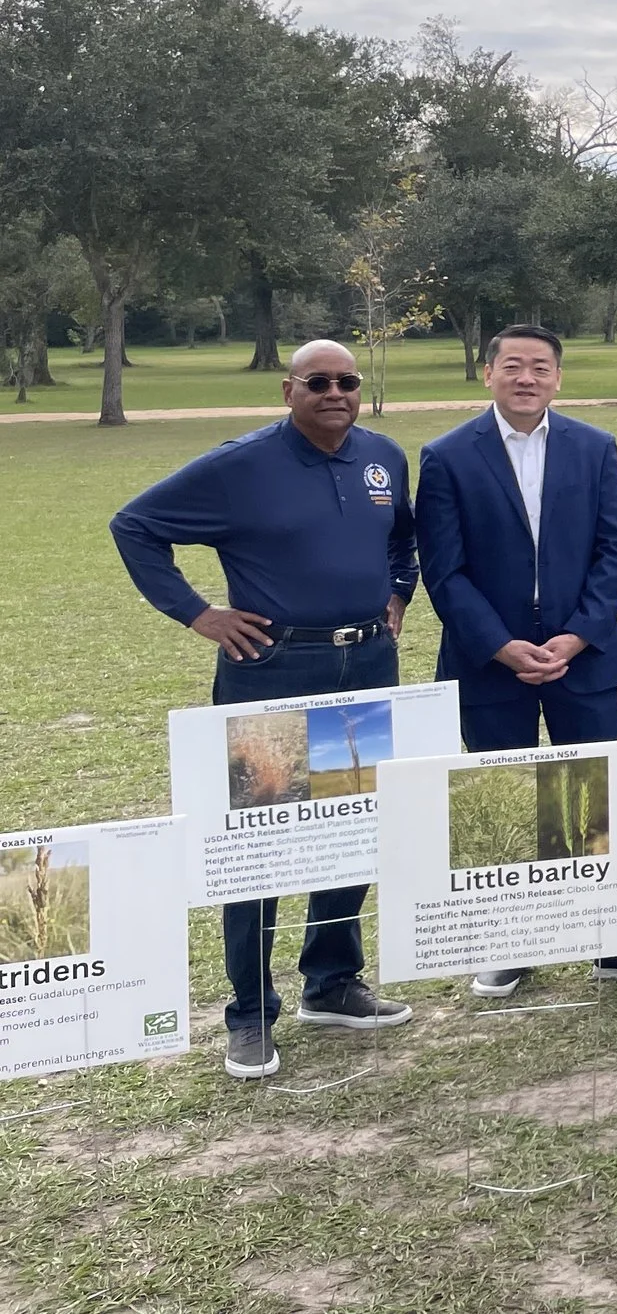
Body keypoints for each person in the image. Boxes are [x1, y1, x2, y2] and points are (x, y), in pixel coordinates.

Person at [109, 340, 416, 1080]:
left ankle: (332, 980)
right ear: (288, 390)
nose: (335, 391)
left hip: (368, 659)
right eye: (319, 382)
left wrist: (399, 589)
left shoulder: (382, 456)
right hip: (273, 664)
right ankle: (249, 1012)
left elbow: (404, 534)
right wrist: (196, 612)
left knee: (352, 825)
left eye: (348, 380)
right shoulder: (239, 464)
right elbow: (134, 525)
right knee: (258, 841)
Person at [415, 325, 617, 994]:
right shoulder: (447, 456)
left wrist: (576, 634)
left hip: (584, 658)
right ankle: (511, 943)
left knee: (596, 799)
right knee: (509, 800)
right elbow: (443, 570)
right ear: (488, 374)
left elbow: (614, 553)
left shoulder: (593, 447)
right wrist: (500, 645)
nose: (527, 377)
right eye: (512, 365)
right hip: (491, 663)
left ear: (558, 378)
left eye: (540, 367)